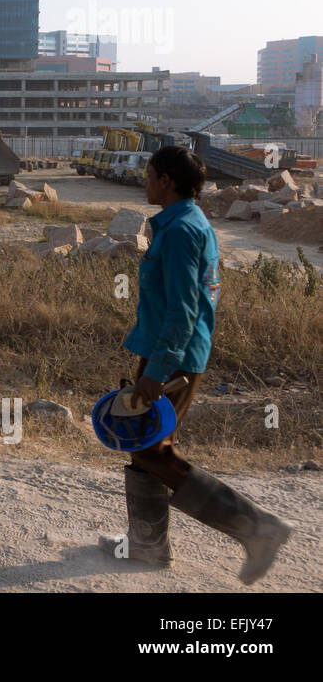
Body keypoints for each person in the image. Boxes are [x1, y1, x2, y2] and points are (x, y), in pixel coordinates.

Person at [100, 146, 292, 583]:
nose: (144, 182)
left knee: (152, 450)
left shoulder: (184, 230)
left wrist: (156, 371)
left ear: (166, 180)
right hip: (164, 353)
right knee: (142, 441)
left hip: (173, 358)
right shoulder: (178, 224)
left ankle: (257, 528)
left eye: (149, 175)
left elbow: (184, 310)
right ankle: (147, 545)